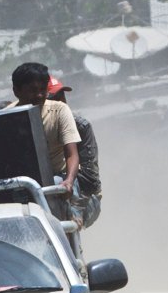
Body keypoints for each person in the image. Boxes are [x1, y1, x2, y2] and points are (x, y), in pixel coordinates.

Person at [8, 62, 80, 196]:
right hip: (23, 181)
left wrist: (69, 181)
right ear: (16, 91)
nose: (40, 95)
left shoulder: (59, 110)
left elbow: (71, 154)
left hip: (58, 176)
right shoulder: (6, 116)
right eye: (33, 90)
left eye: (43, 89)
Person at [48, 76, 101, 227]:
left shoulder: (80, 126)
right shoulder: (33, 125)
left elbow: (90, 177)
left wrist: (76, 208)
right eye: (54, 98)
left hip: (81, 196)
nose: (61, 102)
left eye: (61, 96)